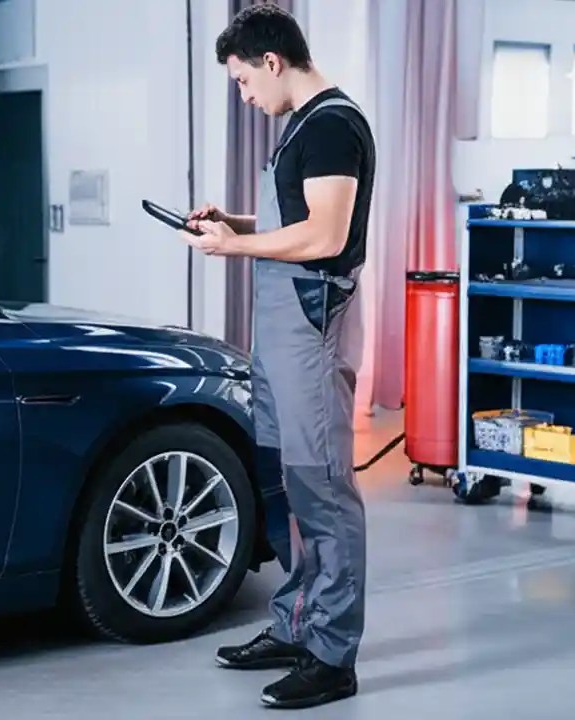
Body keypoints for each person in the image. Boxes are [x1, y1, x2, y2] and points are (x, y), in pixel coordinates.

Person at [177, 3, 376, 711]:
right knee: (283, 487)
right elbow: (294, 222)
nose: (244, 96)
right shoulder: (302, 130)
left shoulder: (332, 126)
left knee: (321, 490)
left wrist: (228, 248)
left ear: (272, 61)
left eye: (241, 81)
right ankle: (296, 625)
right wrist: (235, 223)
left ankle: (332, 656)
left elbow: (324, 236)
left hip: (310, 327)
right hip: (278, 328)